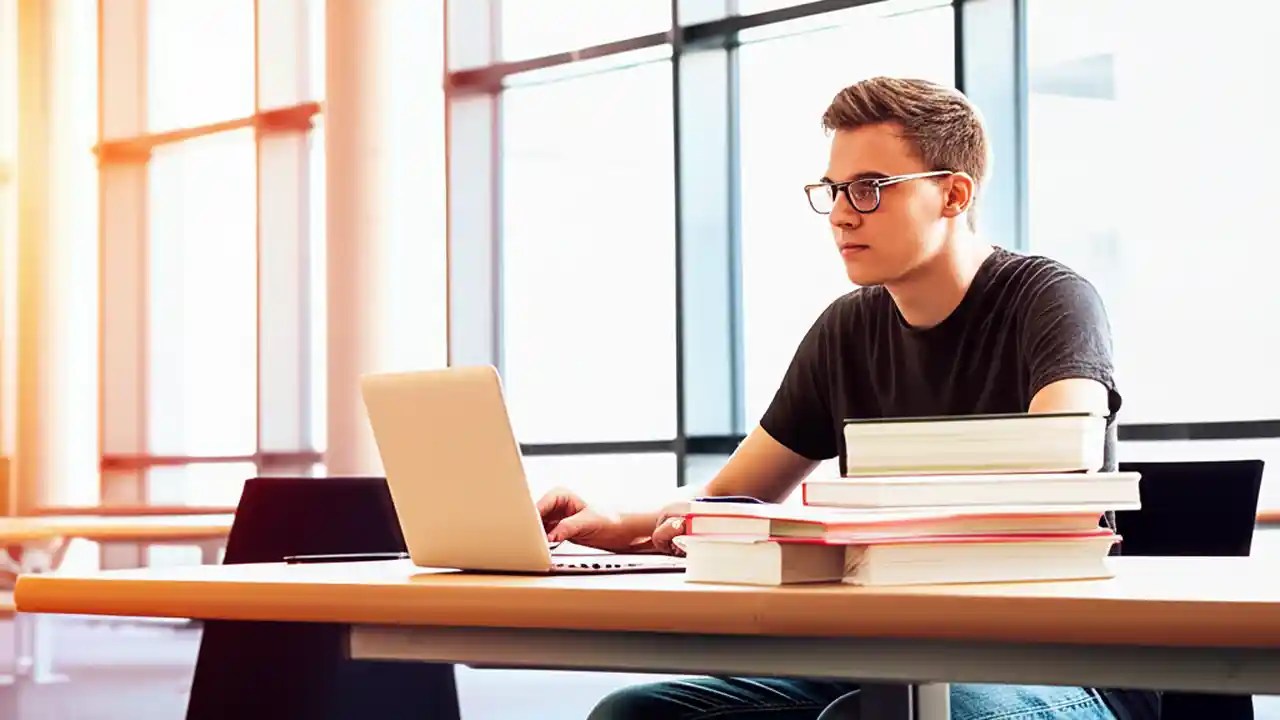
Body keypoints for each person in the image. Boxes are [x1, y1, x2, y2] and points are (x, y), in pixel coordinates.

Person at [536, 76, 1155, 720]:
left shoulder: (1051, 300)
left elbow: (1059, 473)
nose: (840, 214)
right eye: (833, 190)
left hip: (1057, 665)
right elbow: (735, 495)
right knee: (636, 714)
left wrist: (836, 525)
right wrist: (615, 523)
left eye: (869, 189)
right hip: (888, 655)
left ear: (953, 193)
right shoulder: (848, 328)